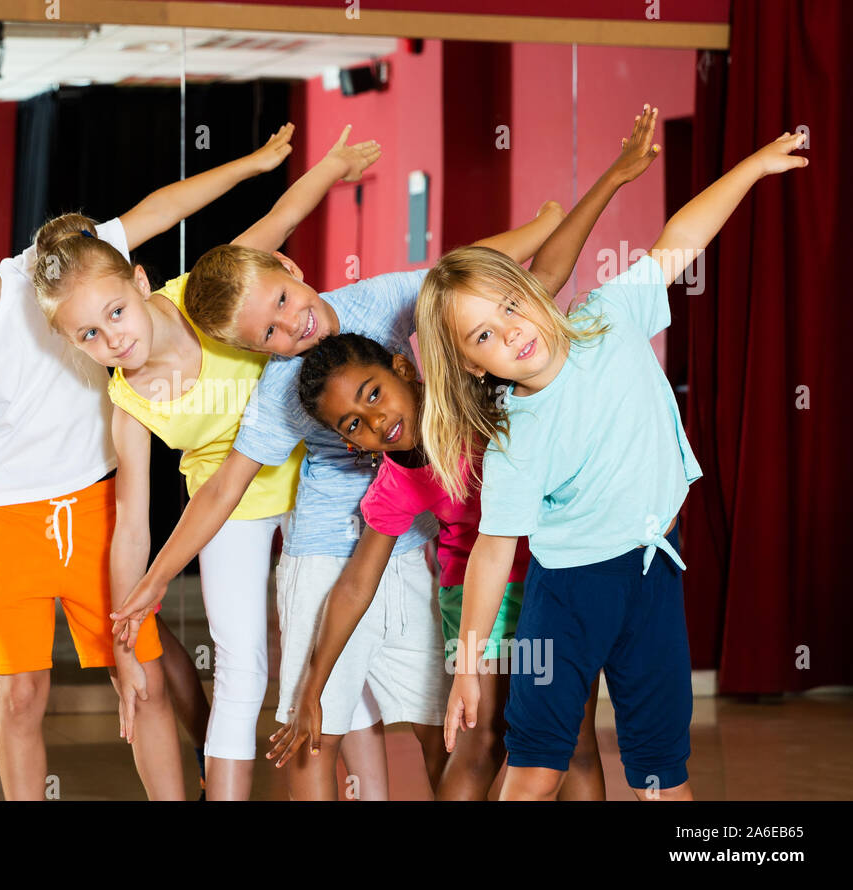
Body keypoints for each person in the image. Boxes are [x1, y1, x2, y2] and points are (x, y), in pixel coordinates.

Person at [0, 56, 304, 801]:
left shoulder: (48, 269)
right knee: (21, 698)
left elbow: (160, 209)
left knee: (144, 681)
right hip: (9, 526)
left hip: (98, 512)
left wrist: (251, 164)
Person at [107, 203, 577, 799]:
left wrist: (545, 226)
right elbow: (226, 484)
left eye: (281, 302)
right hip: (324, 556)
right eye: (267, 337)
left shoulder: (378, 299)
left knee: (446, 726)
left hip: (406, 549)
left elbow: (460, 275)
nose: (289, 329)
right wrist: (155, 579)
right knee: (314, 731)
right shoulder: (282, 390)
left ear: (289, 266)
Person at [266, 108, 668, 799]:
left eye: (371, 395)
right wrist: (311, 686)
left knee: (567, 738)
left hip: (554, 579)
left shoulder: (481, 396)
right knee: (479, 736)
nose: (372, 421)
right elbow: (355, 587)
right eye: (352, 426)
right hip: (471, 604)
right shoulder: (393, 486)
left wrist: (612, 179)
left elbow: (543, 275)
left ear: (403, 366)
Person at [419, 129, 808, 801]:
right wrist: (469, 667)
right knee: (537, 767)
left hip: (653, 571)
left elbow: (680, 238)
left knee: (661, 771)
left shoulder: (608, 315)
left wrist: (753, 166)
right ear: (473, 365)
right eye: (483, 334)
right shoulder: (517, 435)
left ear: (531, 290)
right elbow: (491, 552)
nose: (510, 330)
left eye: (509, 305)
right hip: (568, 594)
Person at [32, 126, 386, 799]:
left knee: (334, 650)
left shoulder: (207, 296)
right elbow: (131, 527)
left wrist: (331, 166)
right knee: (242, 665)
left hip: (313, 475)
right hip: (226, 506)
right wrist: (124, 629)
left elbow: (277, 220)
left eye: (114, 312)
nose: (112, 337)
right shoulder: (128, 403)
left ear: (140, 282)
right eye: (89, 335)